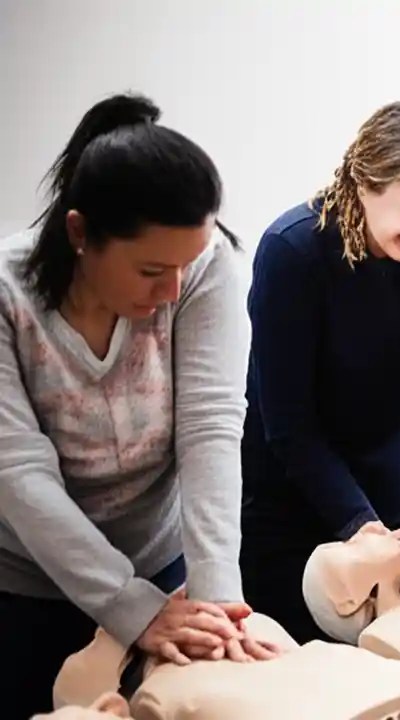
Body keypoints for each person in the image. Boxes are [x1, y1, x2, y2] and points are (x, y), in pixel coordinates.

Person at [0, 93, 274, 718]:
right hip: (25, 578)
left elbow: (209, 429)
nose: (173, 289)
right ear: (79, 234)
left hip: (159, 561)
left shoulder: (202, 269)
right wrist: (128, 607)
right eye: (152, 269)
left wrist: (216, 602)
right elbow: (16, 470)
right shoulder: (7, 292)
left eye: (186, 265)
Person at [239, 100, 400, 644]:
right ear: (364, 183)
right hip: (295, 489)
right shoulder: (294, 250)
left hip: (395, 486)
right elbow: (288, 421)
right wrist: (362, 531)